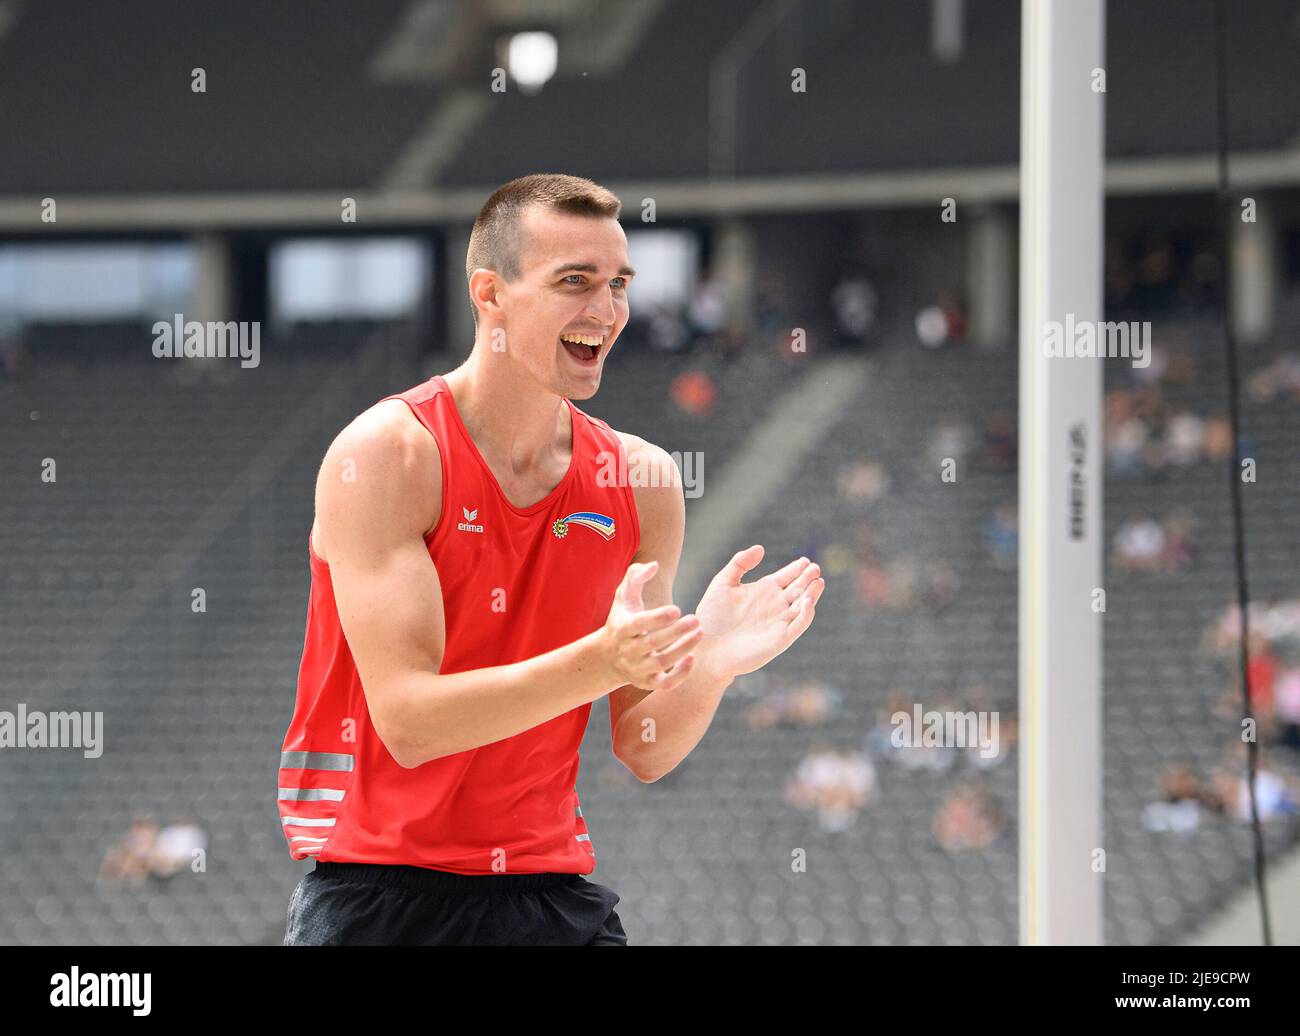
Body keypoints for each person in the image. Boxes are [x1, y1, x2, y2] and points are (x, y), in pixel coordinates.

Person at [279, 174, 825, 946]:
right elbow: (410, 723)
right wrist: (605, 661)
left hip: (547, 895)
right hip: (381, 897)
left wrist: (710, 669)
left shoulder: (641, 479)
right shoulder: (390, 454)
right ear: (489, 294)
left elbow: (642, 749)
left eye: (619, 285)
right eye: (574, 282)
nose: (604, 311)